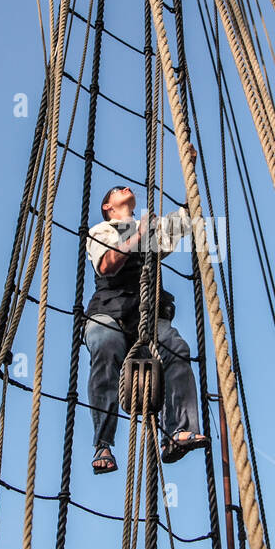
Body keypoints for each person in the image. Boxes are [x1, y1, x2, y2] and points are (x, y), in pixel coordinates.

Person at [84, 154, 208, 474]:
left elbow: (185, 219)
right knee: (105, 345)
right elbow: (107, 264)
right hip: (110, 314)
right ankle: (103, 444)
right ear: (107, 207)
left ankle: (179, 430)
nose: (124, 187)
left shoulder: (148, 227)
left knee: (176, 348)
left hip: (150, 319)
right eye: (115, 190)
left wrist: (189, 168)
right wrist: (140, 234)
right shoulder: (102, 230)